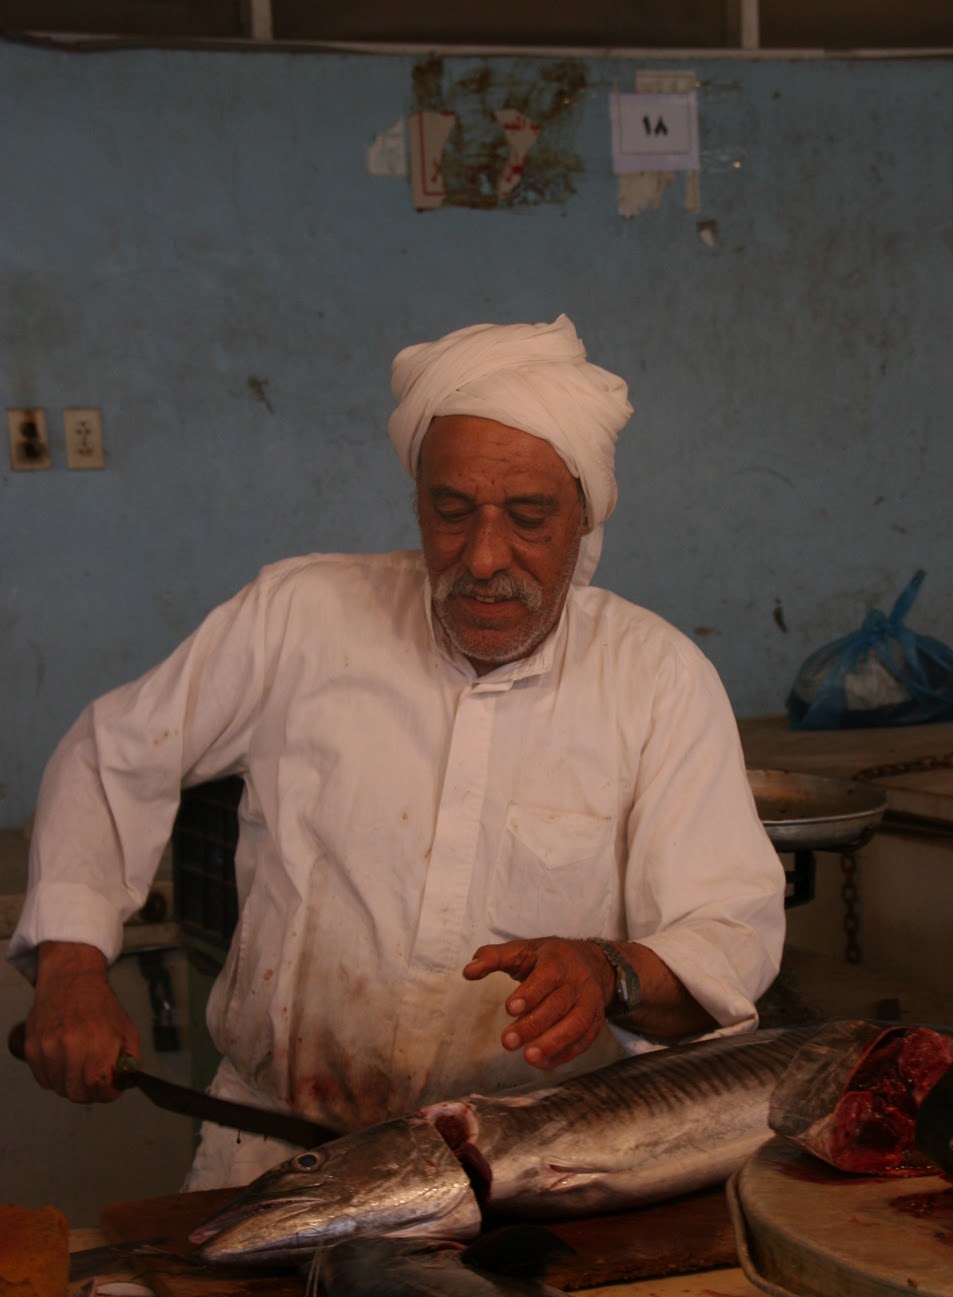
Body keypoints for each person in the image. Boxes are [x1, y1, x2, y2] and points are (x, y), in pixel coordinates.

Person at [9, 315, 786, 1187]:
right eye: (451, 512)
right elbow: (111, 757)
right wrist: (70, 967)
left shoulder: (657, 680)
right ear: (418, 502)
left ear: (585, 517)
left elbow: (726, 933)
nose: (483, 557)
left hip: (535, 1173)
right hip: (276, 1153)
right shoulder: (299, 617)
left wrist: (609, 973)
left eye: (528, 517)